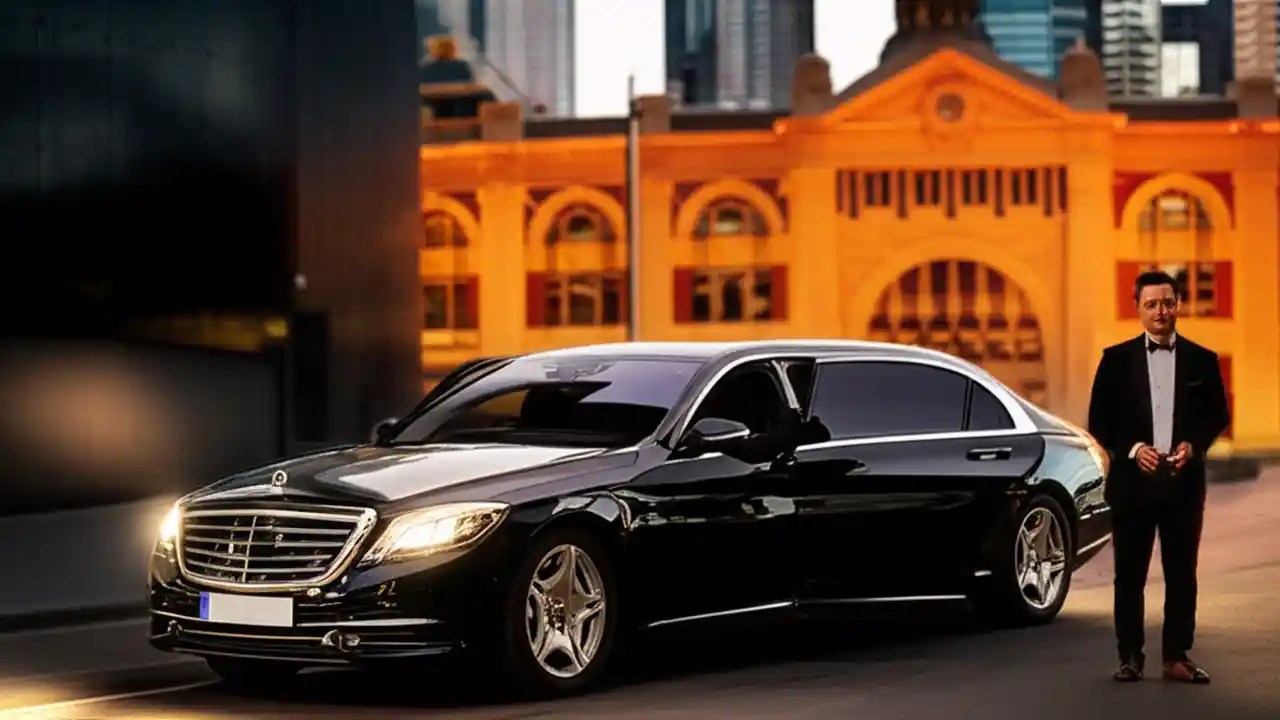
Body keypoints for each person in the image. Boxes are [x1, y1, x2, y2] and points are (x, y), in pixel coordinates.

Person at [1087, 270, 1230, 684]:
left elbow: (1218, 415)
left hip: (1184, 486)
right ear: (1138, 309)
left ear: (1178, 304)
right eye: (1151, 304)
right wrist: (1133, 451)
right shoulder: (1115, 360)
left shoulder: (1203, 360)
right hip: (1133, 487)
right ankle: (1130, 656)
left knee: (1182, 572)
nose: (1160, 311)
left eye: (1167, 303)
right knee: (1129, 575)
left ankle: (1176, 657)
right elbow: (1100, 420)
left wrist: (1193, 444)